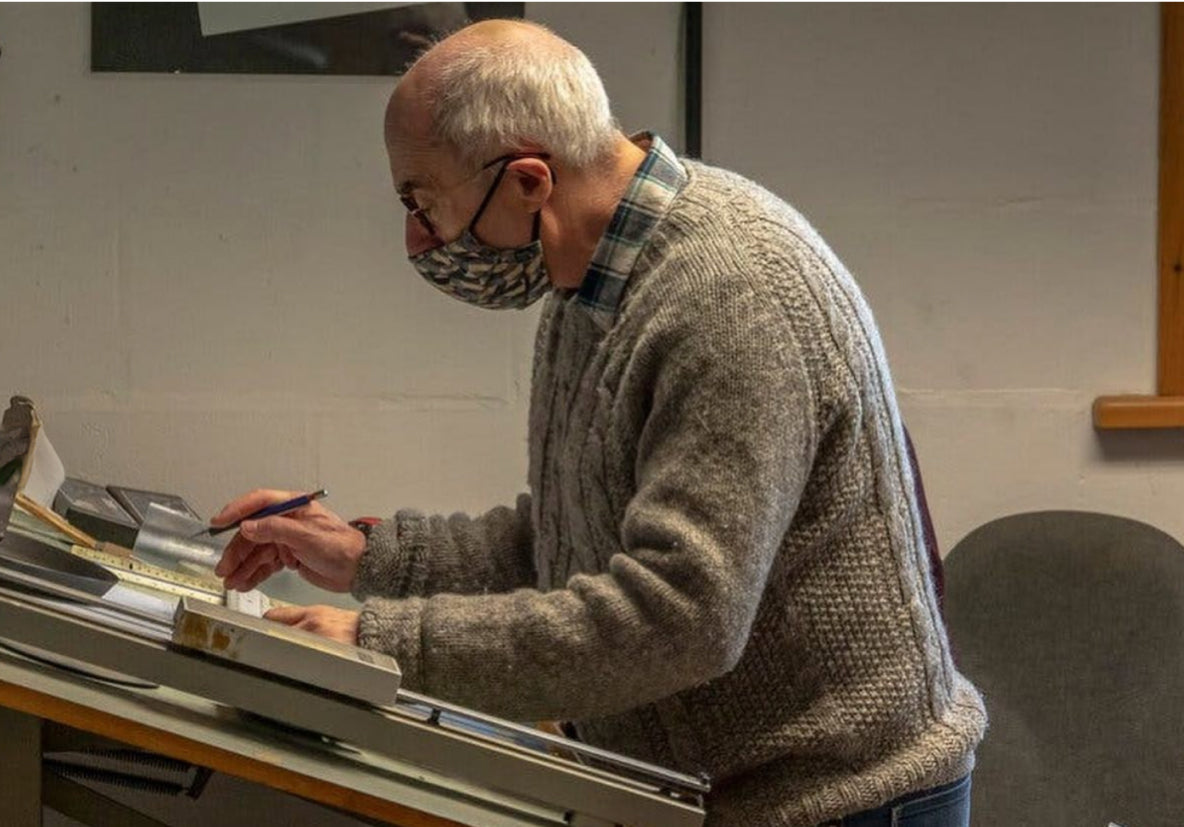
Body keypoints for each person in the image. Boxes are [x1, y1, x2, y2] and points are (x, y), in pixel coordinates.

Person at [212, 19, 987, 827]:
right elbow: (569, 541)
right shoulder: (589, 286)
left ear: (528, 182)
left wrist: (383, 642)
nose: (418, 238)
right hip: (715, 789)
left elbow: (681, 615)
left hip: (835, 803)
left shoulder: (732, 295)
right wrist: (367, 556)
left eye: (423, 203)